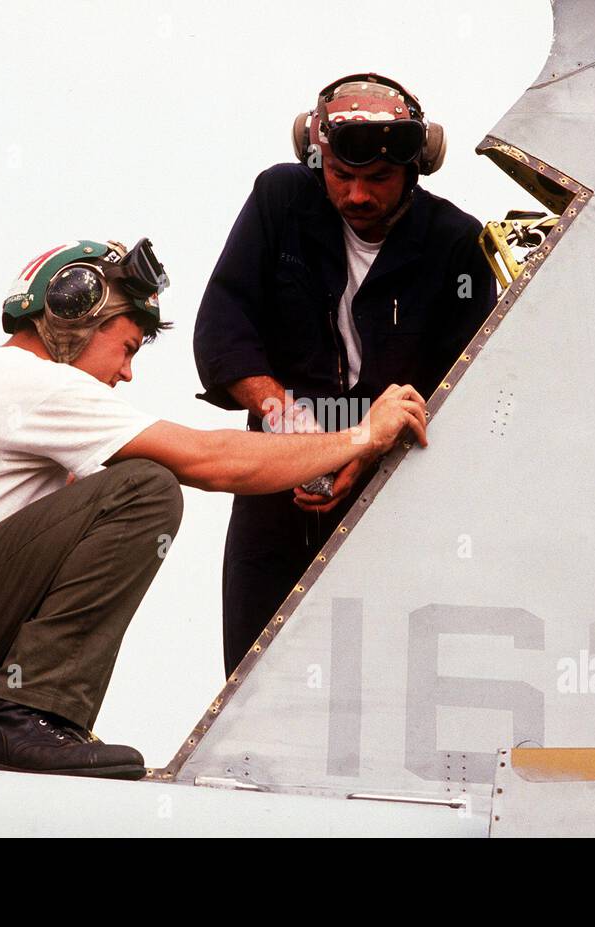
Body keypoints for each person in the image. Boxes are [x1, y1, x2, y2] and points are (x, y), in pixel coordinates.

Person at [0, 238, 428, 780]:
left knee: (118, 488)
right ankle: (29, 716)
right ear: (76, 316)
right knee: (145, 489)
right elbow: (210, 460)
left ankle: (24, 713)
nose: (128, 373)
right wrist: (358, 438)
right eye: (127, 346)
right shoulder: (27, 383)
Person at [193, 73, 497, 676]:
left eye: (378, 179)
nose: (357, 195)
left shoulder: (458, 242)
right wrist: (289, 425)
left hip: (395, 478)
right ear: (317, 159)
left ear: (415, 168)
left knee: (383, 666)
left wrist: (366, 453)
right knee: (251, 671)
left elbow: (468, 383)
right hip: (275, 468)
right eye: (341, 176)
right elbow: (224, 331)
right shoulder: (280, 198)